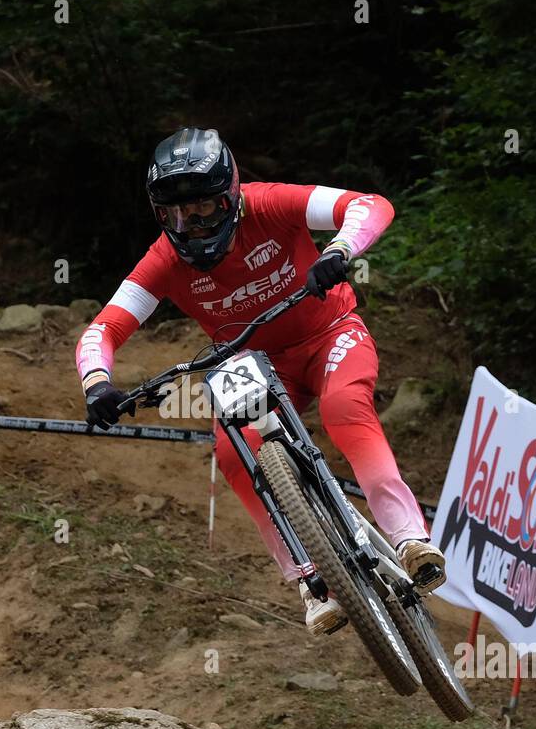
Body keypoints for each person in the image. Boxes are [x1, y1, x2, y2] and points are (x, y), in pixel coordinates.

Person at [75, 127, 445, 635]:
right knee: (232, 452)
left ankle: (409, 539)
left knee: (344, 410)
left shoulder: (269, 204)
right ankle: (310, 579)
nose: (193, 225)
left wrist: (338, 251)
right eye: (176, 215)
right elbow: (104, 329)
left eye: (203, 209)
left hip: (328, 332)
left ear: (230, 196)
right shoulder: (164, 259)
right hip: (252, 364)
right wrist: (97, 383)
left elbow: (369, 204)